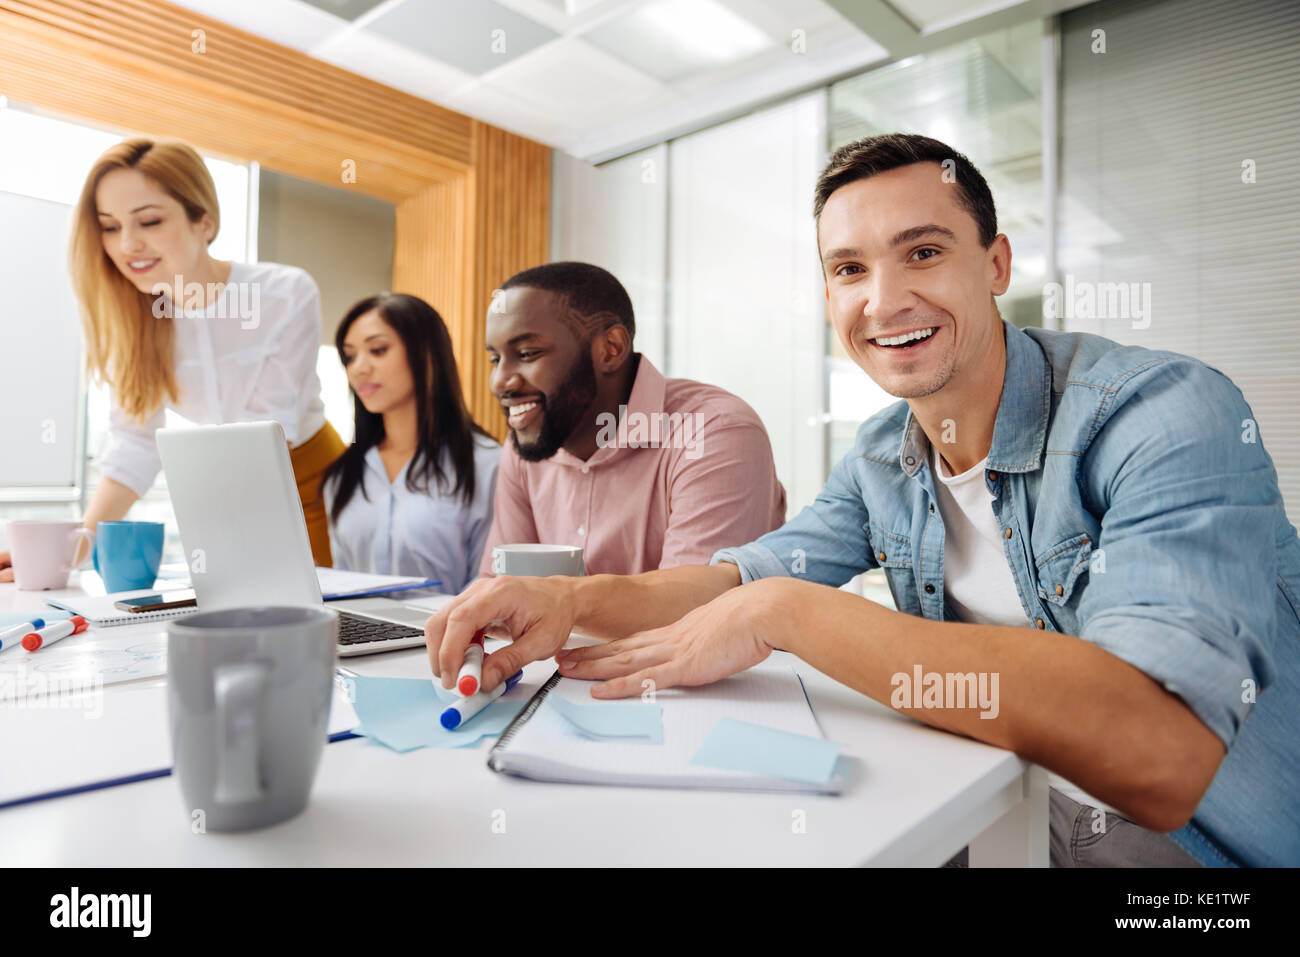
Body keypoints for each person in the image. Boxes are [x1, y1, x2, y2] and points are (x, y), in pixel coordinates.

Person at [425, 134, 1300, 869]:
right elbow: (731, 579)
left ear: (996, 263)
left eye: (924, 252)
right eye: (849, 268)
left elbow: (1164, 751)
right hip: (1012, 818)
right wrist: (566, 600)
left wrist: (786, 611)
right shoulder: (884, 454)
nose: (884, 301)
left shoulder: (1164, 412)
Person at [0, 136, 341, 580]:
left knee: (332, 622)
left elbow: (273, 432)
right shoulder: (133, 319)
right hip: (233, 481)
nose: (127, 245)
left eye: (149, 221)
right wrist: (74, 548)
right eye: (109, 226)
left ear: (205, 221)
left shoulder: (284, 294)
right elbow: (135, 444)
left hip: (313, 481)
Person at [478, 261, 786, 577]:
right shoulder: (529, 442)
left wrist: (564, 604)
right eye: (495, 359)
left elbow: (695, 607)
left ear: (610, 349)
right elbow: (499, 592)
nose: (500, 381)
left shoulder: (714, 432)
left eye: (528, 354)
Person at [324, 293, 499, 595]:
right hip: (360, 638)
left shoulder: (487, 464)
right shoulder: (343, 476)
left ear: (426, 353)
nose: (358, 368)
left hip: (452, 638)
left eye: (377, 350)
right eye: (350, 356)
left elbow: (489, 585)